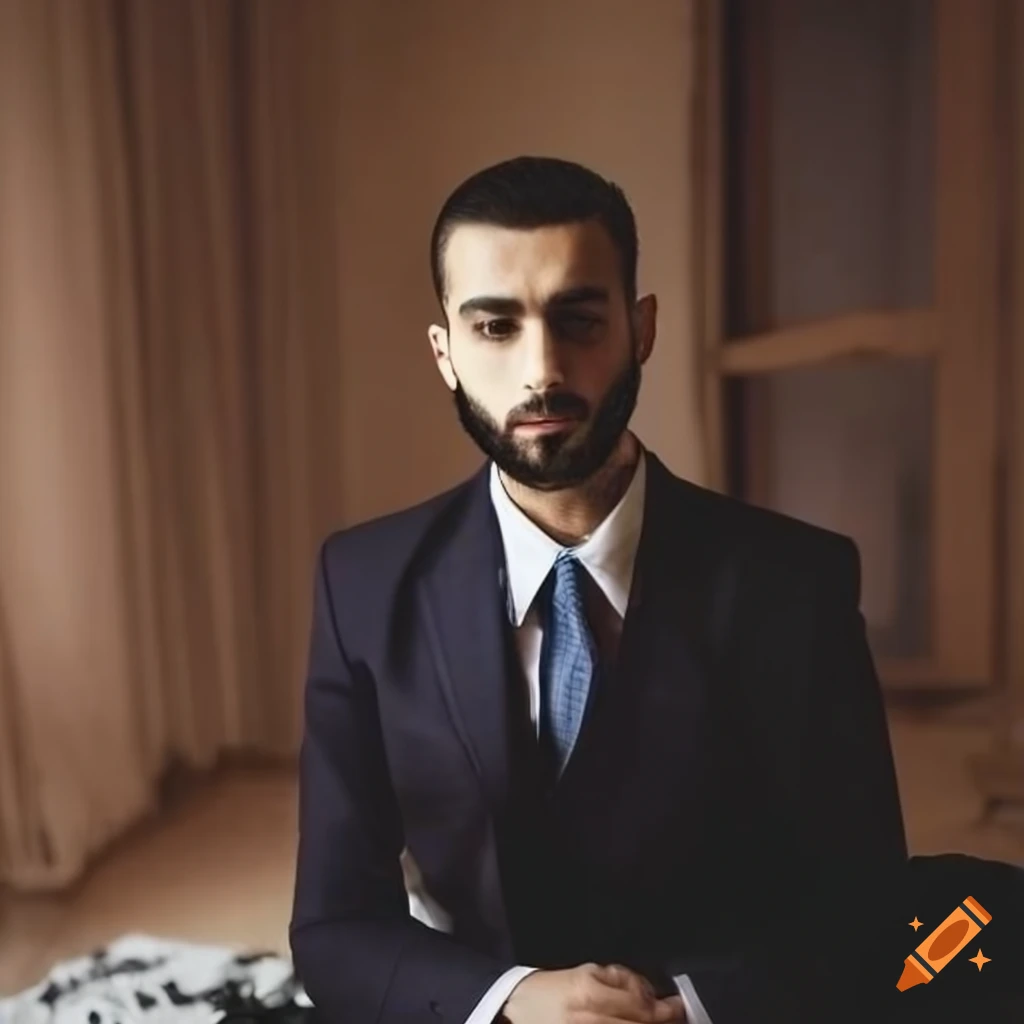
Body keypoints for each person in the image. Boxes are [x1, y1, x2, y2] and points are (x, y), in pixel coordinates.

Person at [289, 156, 910, 1024]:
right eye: (495, 327)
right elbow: (334, 926)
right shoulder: (362, 584)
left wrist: (691, 1008)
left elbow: (868, 907)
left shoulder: (797, 585)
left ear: (640, 328)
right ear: (445, 353)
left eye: (578, 320)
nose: (542, 370)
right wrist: (510, 999)